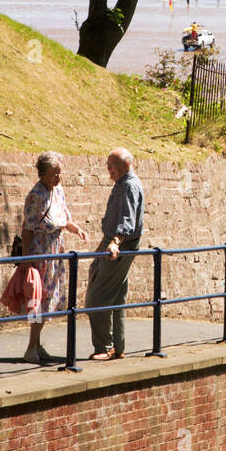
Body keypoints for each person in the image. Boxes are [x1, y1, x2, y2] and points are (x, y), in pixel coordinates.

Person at [2, 151, 85, 363]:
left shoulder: (58, 191)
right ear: (41, 174)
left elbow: (65, 217)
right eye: (53, 174)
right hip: (40, 253)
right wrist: (26, 260)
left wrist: (76, 230)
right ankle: (31, 347)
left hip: (55, 252)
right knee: (38, 299)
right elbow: (27, 229)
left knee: (47, 301)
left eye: (59, 173)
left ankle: (37, 345)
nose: (57, 178)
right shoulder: (36, 195)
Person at [87, 147, 145, 360]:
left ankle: (105, 347)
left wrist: (114, 242)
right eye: (108, 166)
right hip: (116, 243)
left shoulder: (128, 186)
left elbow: (127, 220)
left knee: (96, 298)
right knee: (117, 296)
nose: (109, 170)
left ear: (126, 166)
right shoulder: (125, 184)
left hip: (120, 246)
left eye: (113, 166)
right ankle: (117, 347)